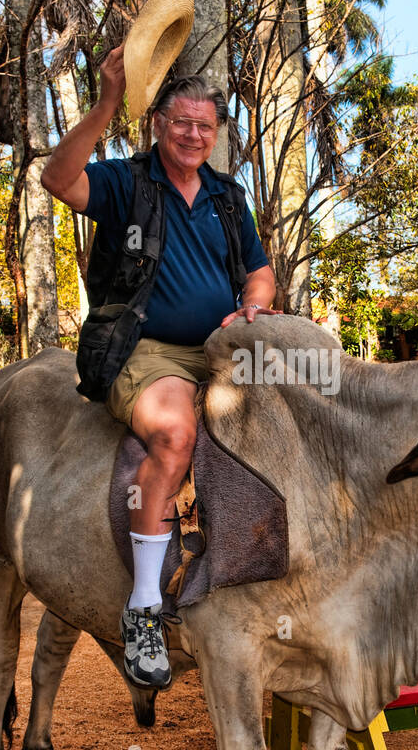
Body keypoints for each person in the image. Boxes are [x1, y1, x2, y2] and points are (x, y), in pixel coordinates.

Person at [40, 46, 276, 690]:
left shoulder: (229, 198)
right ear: (158, 125)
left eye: (205, 126)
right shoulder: (127, 184)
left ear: (217, 132)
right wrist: (107, 101)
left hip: (220, 351)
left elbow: (258, 272)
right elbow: (59, 180)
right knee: (174, 434)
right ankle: (144, 606)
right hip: (144, 351)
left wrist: (253, 307)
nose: (193, 135)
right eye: (181, 124)